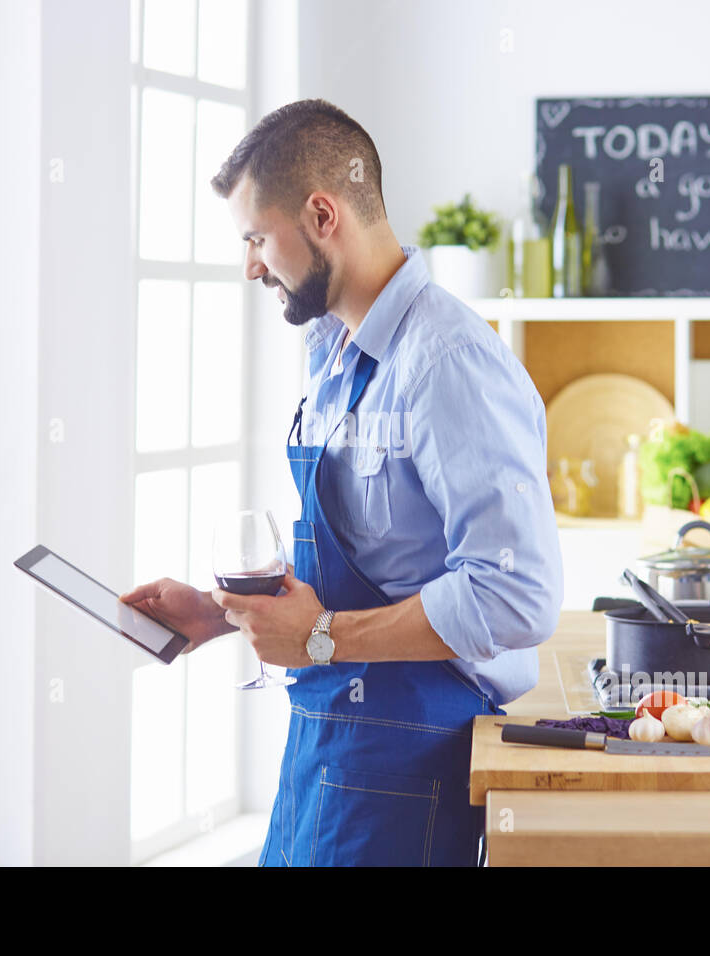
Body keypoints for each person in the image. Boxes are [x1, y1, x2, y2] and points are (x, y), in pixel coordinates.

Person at [122, 98, 562, 867]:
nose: (251, 264)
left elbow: (513, 592)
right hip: (325, 744)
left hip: (407, 764)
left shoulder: (446, 362)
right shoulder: (332, 348)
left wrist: (321, 637)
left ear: (322, 214)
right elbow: (375, 566)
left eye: (258, 237)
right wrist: (226, 613)